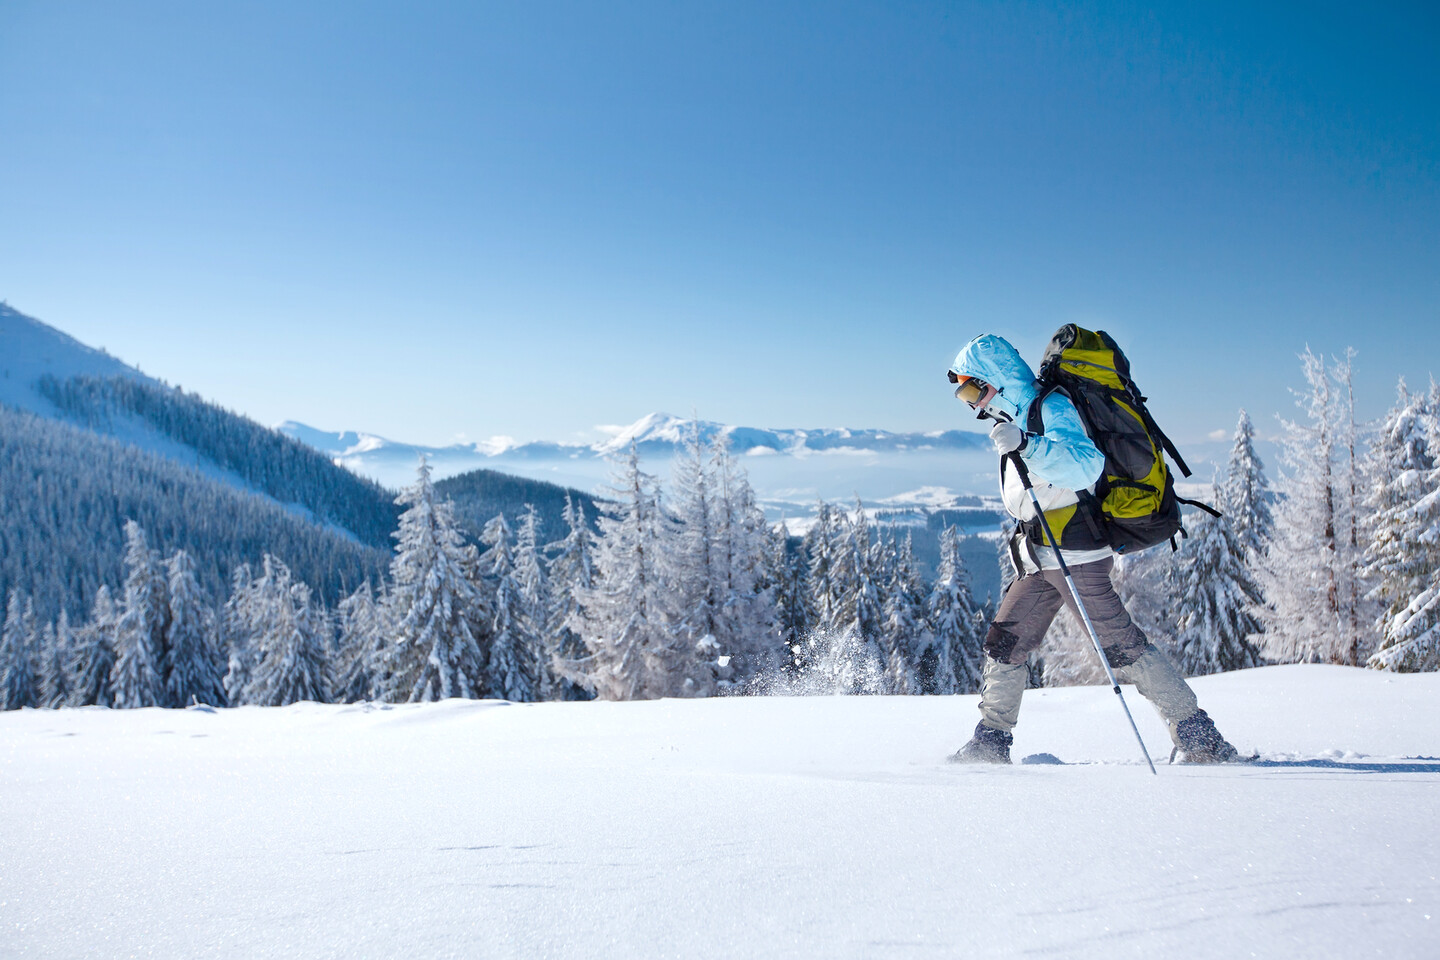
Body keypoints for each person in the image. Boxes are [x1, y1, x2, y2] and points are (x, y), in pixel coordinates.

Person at [946, 334, 1240, 764]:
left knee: (1121, 646)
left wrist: (1029, 446)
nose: (971, 403)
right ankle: (990, 742)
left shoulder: (1050, 407)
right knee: (1005, 642)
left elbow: (1085, 463)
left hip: (1075, 555)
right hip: (1041, 555)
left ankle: (1201, 738)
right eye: (963, 395)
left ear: (997, 380)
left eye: (973, 389)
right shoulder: (1016, 416)